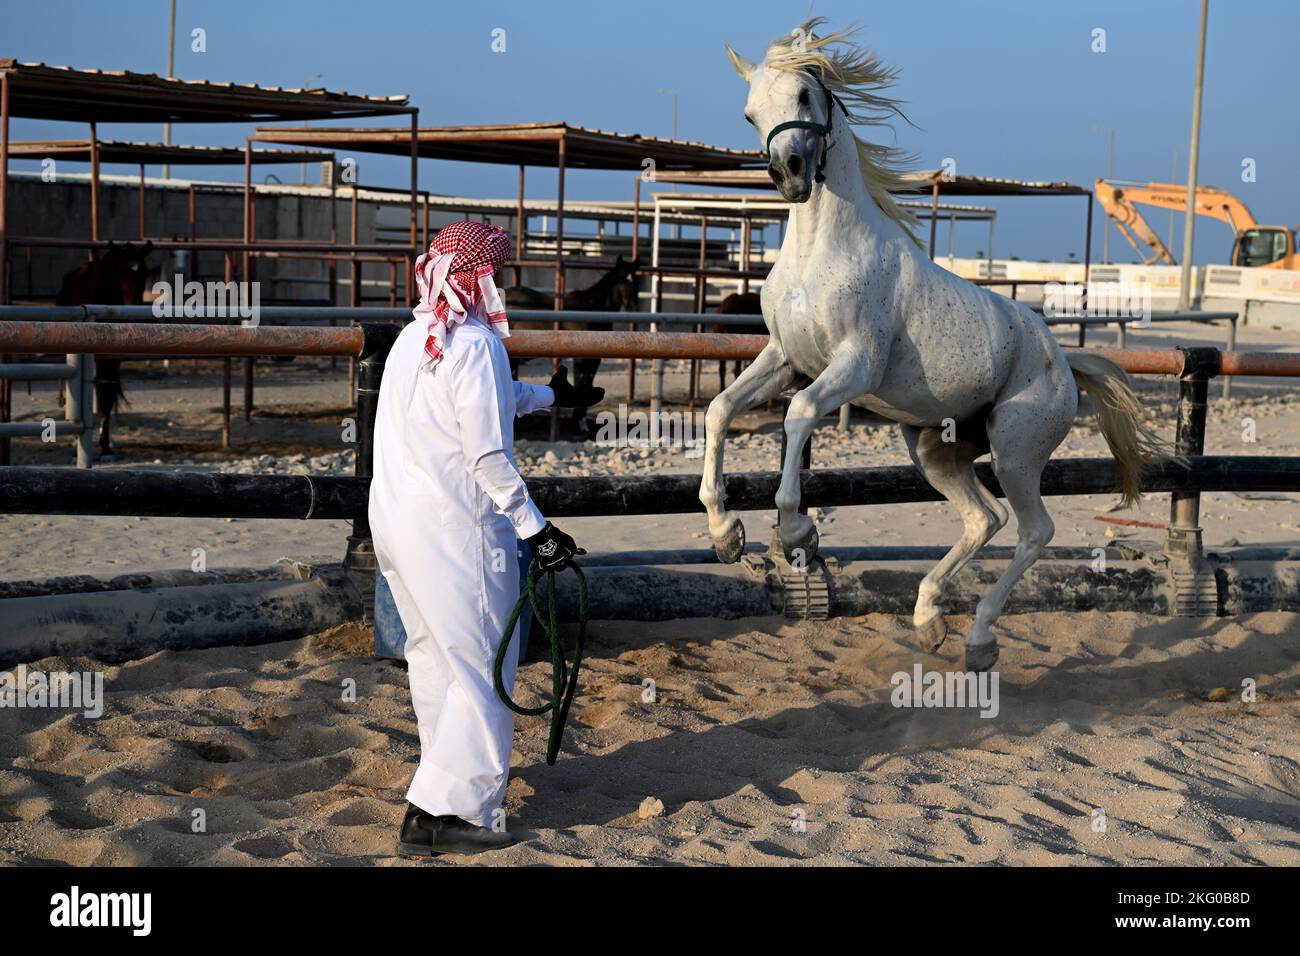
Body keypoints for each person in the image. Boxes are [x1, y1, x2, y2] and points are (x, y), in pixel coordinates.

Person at [369, 220, 602, 856]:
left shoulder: (415, 337)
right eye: (500, 271)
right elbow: (488, 457)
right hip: (456, 528)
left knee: (434, 655)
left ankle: (436, 786)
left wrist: (548, 394)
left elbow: (475, 399)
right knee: (484, 665)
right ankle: (451, 812)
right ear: (483, 275)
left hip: (397, 522)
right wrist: (538, 529)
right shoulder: (473, 343)